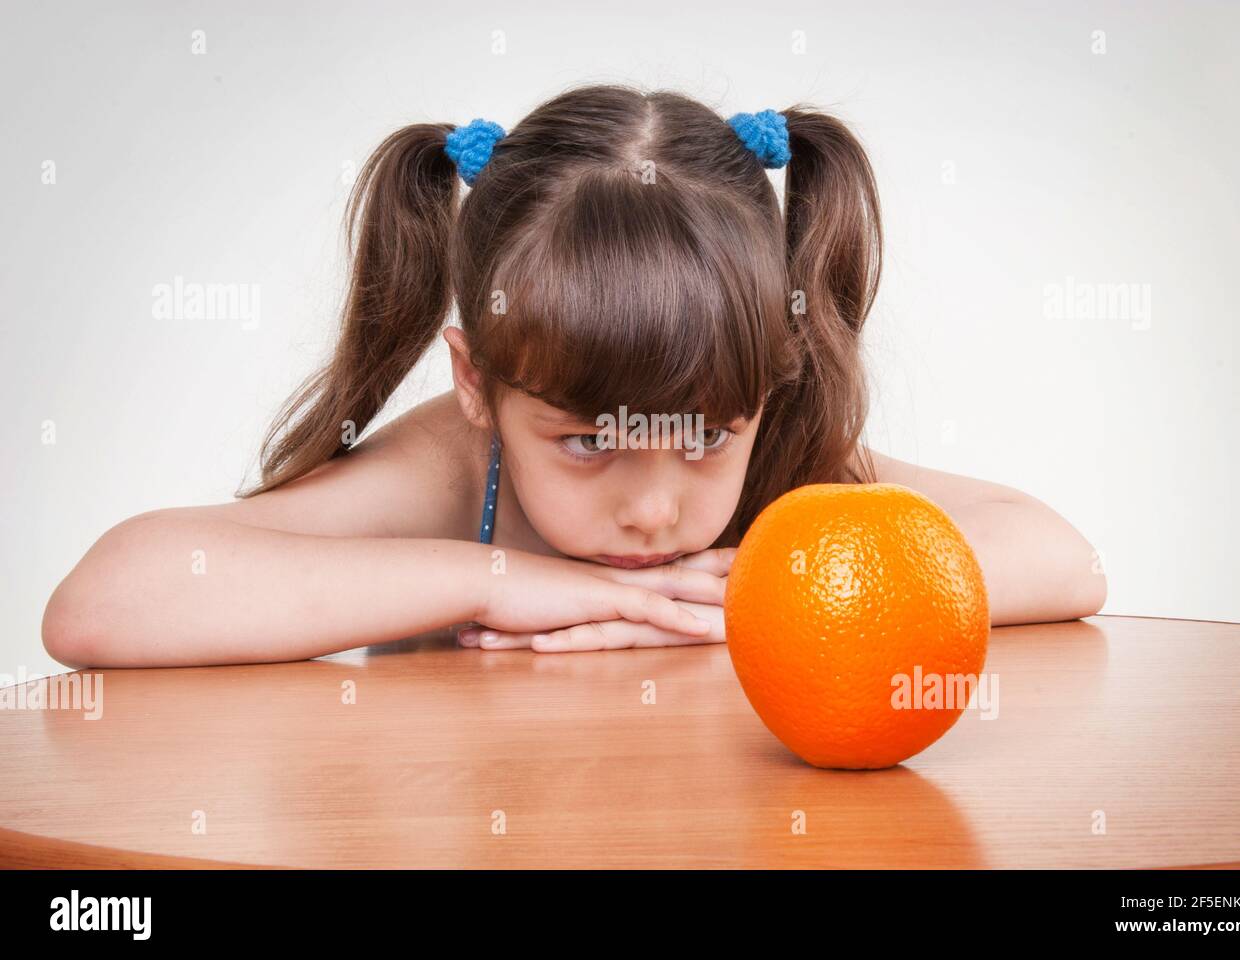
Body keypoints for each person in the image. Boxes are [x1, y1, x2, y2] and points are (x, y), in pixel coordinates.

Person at [41, 83, 1105, 667]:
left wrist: (762, 598)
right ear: (475, 382)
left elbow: (1062, 564)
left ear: (767, 383)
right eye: (591, 440)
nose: (653, 508)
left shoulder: (783, 459)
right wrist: (508, 581)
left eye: (700, 436)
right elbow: (106, 601)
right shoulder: (460, 470)